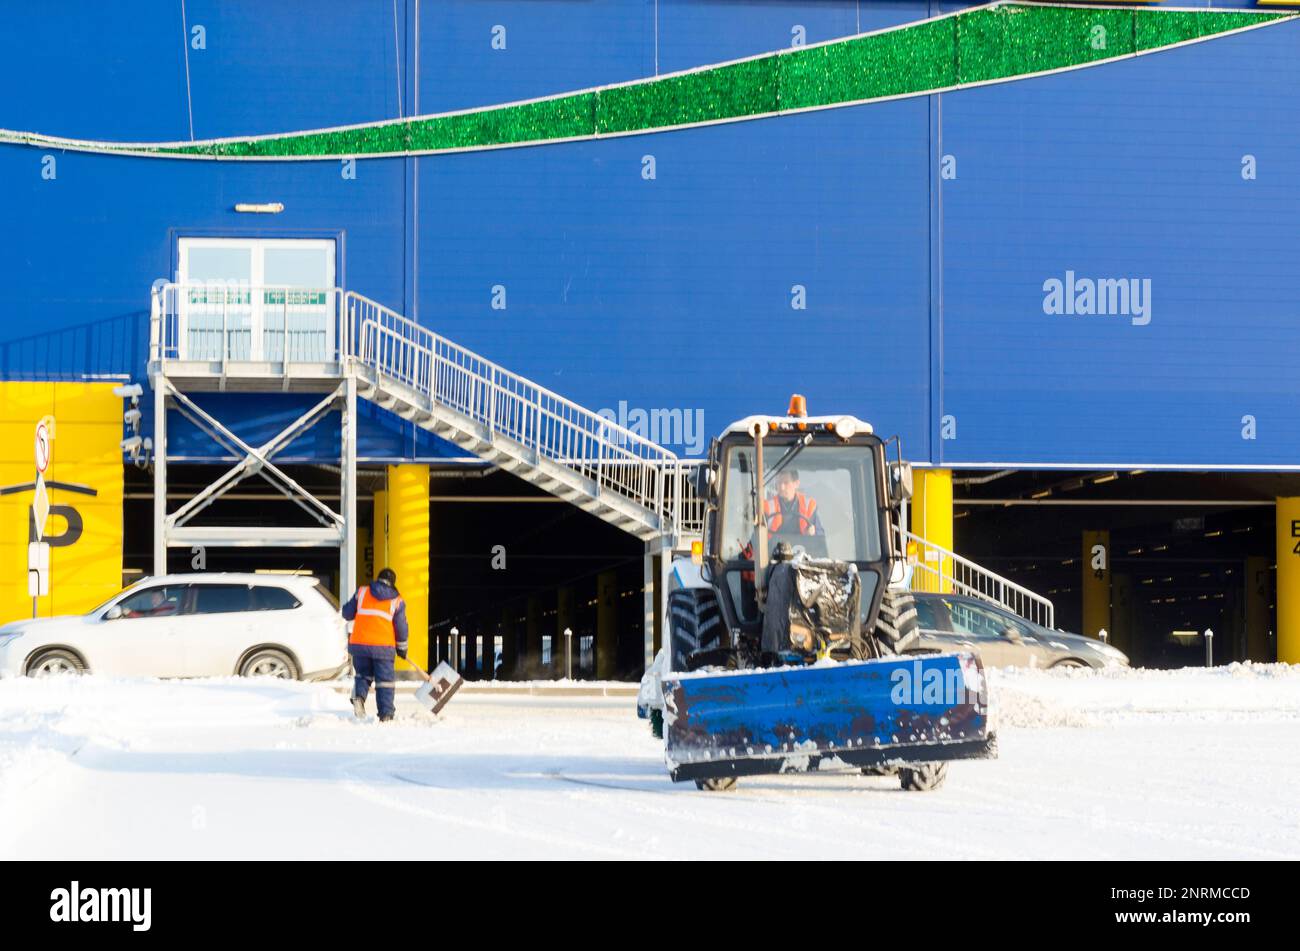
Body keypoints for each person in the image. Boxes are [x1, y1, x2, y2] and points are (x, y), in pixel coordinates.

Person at [341, 567, 408, 722]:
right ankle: (386, 714)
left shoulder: (362, 592)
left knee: (363, 675)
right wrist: (402, 648)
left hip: (360, 644)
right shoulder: (397, 601)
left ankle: (358, 697)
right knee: (385, 681)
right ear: (393, 583)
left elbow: (347, 613)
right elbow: (401, 627)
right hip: (383, 647)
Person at [764, 469, 824, 537]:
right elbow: (756, 537)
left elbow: (820, 537)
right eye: (779, 482)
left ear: (796, 484)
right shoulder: (766, 507)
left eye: (786, 483)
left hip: (802, 546)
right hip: (773, 546)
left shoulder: (809, 506)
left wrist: (813, 534)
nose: (782, 487)